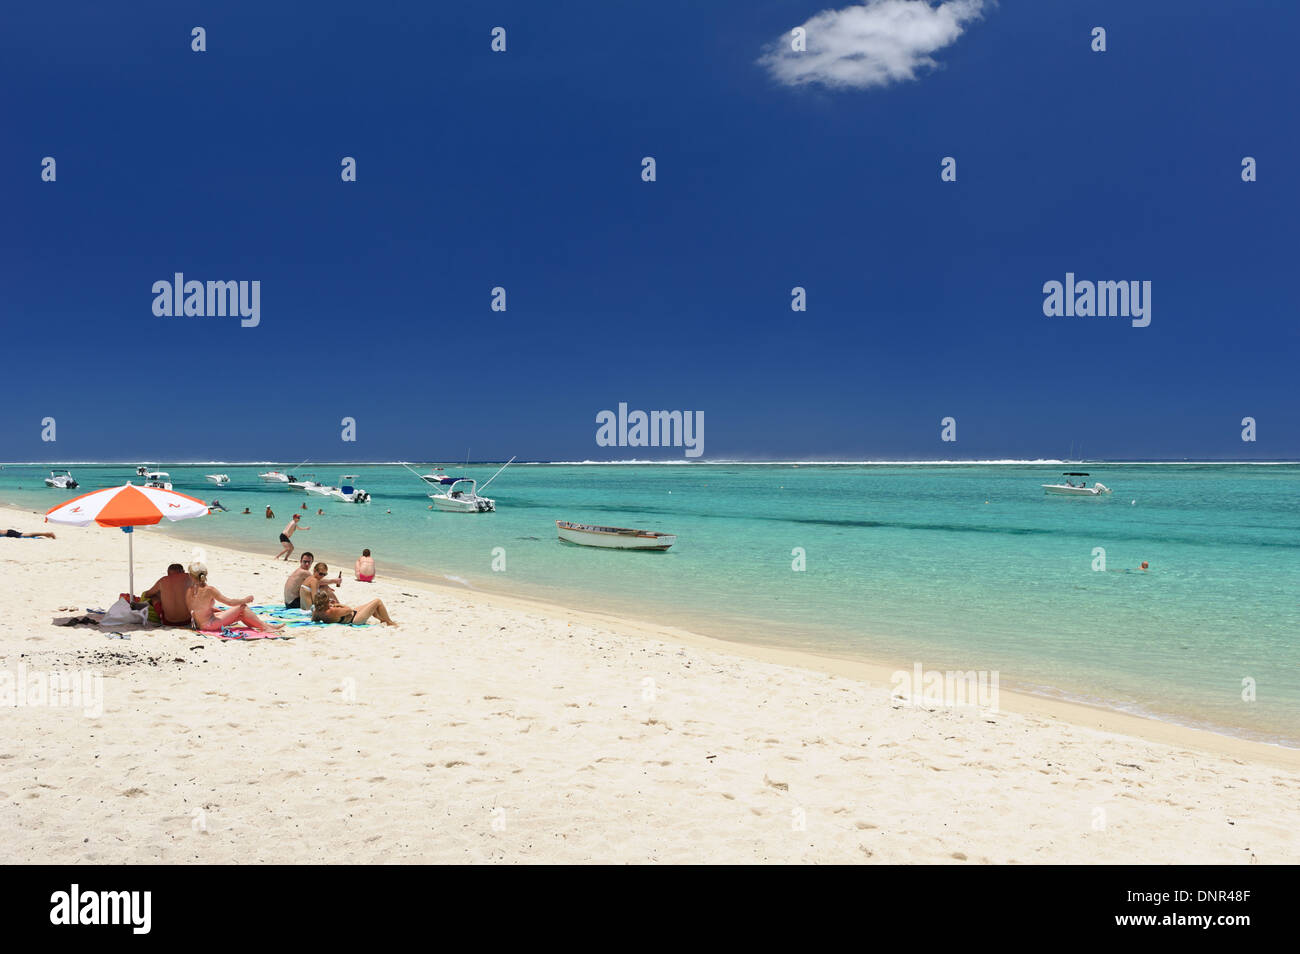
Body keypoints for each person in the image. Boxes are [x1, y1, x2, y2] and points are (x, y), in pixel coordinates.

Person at [185, 562, 282, 632]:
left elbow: (195, 609)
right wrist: (246, 600)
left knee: (239, 614)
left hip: (199, 623)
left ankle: (265, 625)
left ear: (191, 576)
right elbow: (229, 602)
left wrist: (214, 610)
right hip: (209, 624)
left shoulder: (189, 590)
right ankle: (265, 628)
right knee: (242, 607)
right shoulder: (209, 590)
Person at [311, 588, 396, 626]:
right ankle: (389, 622)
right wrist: (338, 604)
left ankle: (382, 619)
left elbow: (314, 620)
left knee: (370, 605)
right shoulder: (332, 610)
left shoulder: (316, 612)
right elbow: (349, 609)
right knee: (377, 601)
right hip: (355, 619)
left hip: (351, 616)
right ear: (325, 601)